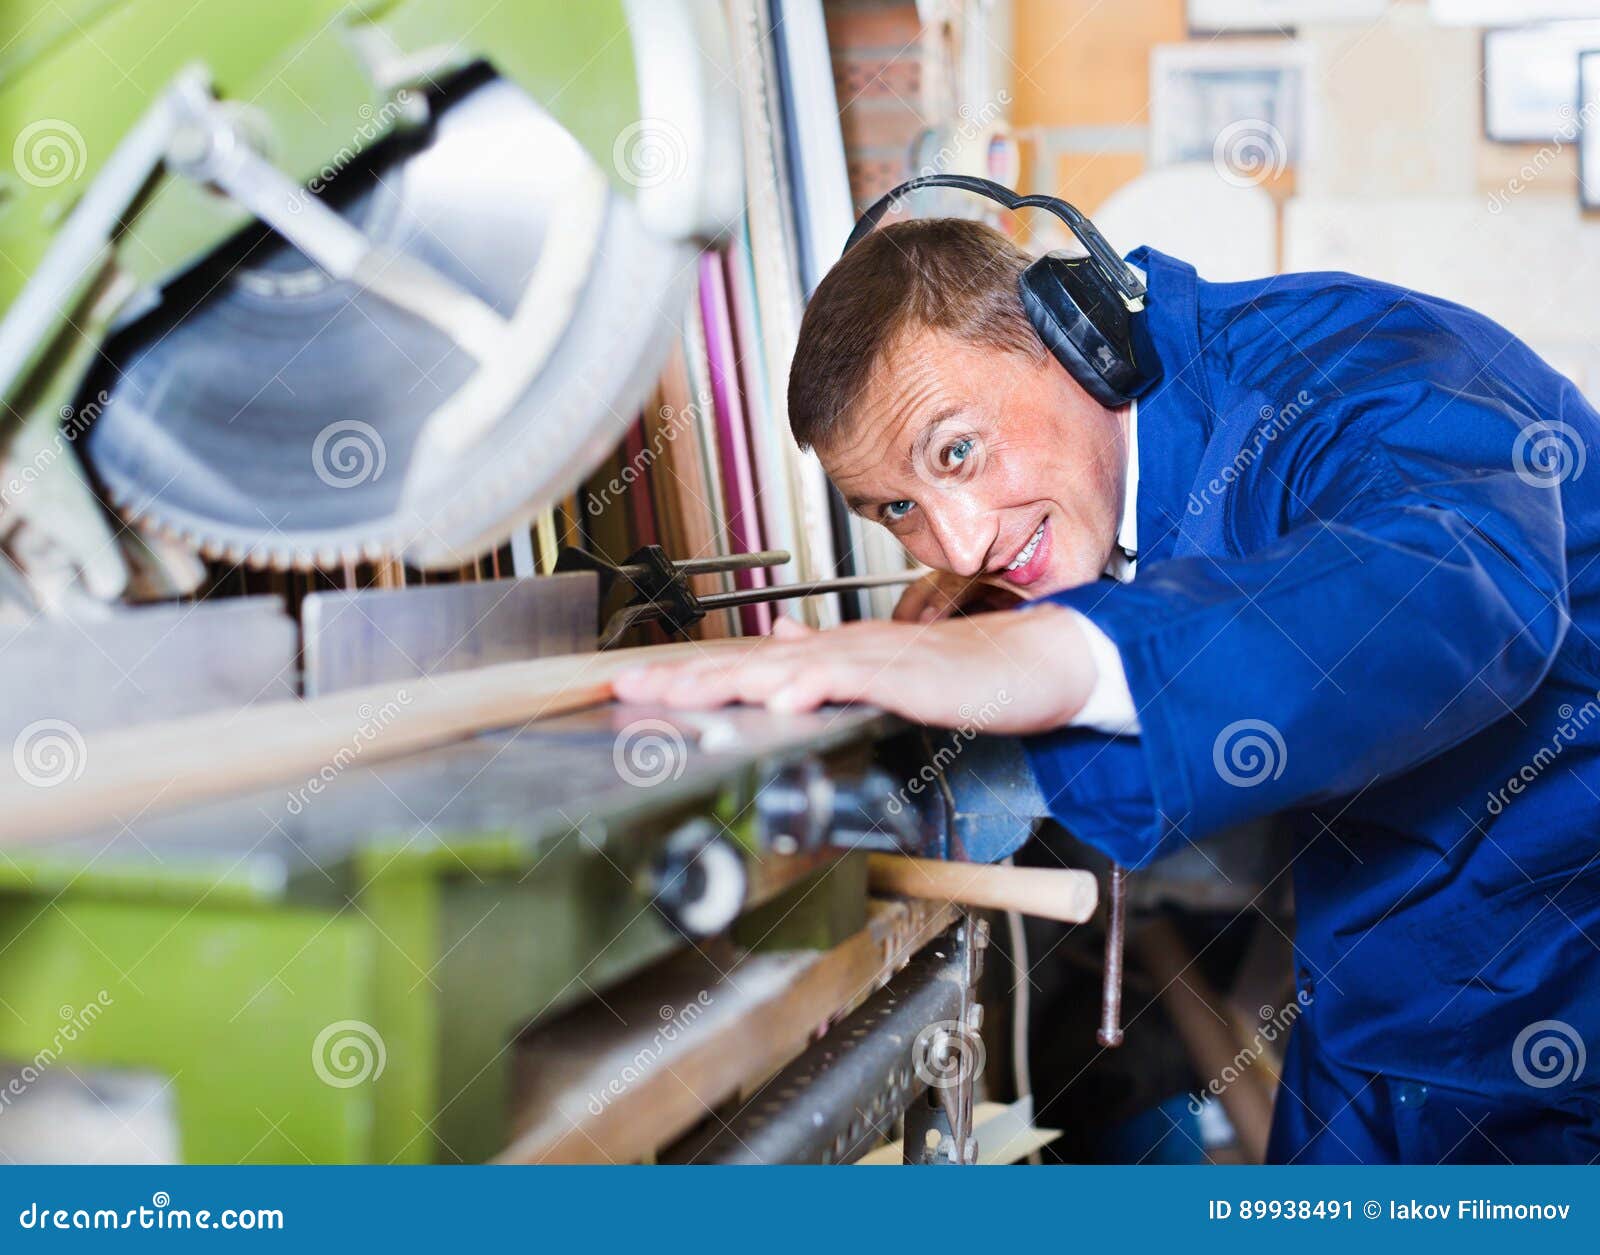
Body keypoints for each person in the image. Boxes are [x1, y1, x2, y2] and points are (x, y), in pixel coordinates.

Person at [612, 211, 1600, 1164]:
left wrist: (1049, 651)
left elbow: (1452, 592)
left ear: (1075, 335)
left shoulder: (1341, 375)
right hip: (1385, 997)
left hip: (1560, 1011)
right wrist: (1018, 604)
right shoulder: (1143, 450)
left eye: (957, 449)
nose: (959, 541)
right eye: (899, 507)